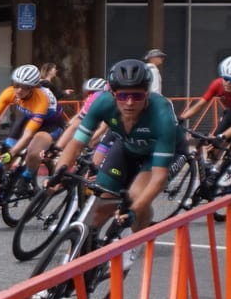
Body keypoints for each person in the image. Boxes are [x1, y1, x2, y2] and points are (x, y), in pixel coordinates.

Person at [56, 57, 181, 248]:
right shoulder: (102, 103)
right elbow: (76, 143)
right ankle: (88, 255)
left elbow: (159, 178)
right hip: (127, 147)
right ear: (113, 94)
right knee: (100, 205)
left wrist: (134, 210)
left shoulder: (162, 114)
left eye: (137, 96)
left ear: (147, 94)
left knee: (135, 198)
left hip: (156, 154)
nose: (129, 103)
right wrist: (59, 171)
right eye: (123, 96)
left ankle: (139, 238)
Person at [0, 64, 62, 178]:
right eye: (17, 85)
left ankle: (27, 178)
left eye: (25, 87)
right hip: (29, 117)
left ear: (33, 87)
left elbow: (28, 134)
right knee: (6, 153)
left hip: (50, 125)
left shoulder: (41, 99)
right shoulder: (10, 92)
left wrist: (13, 152)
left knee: (33, 152)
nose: (19, 90)